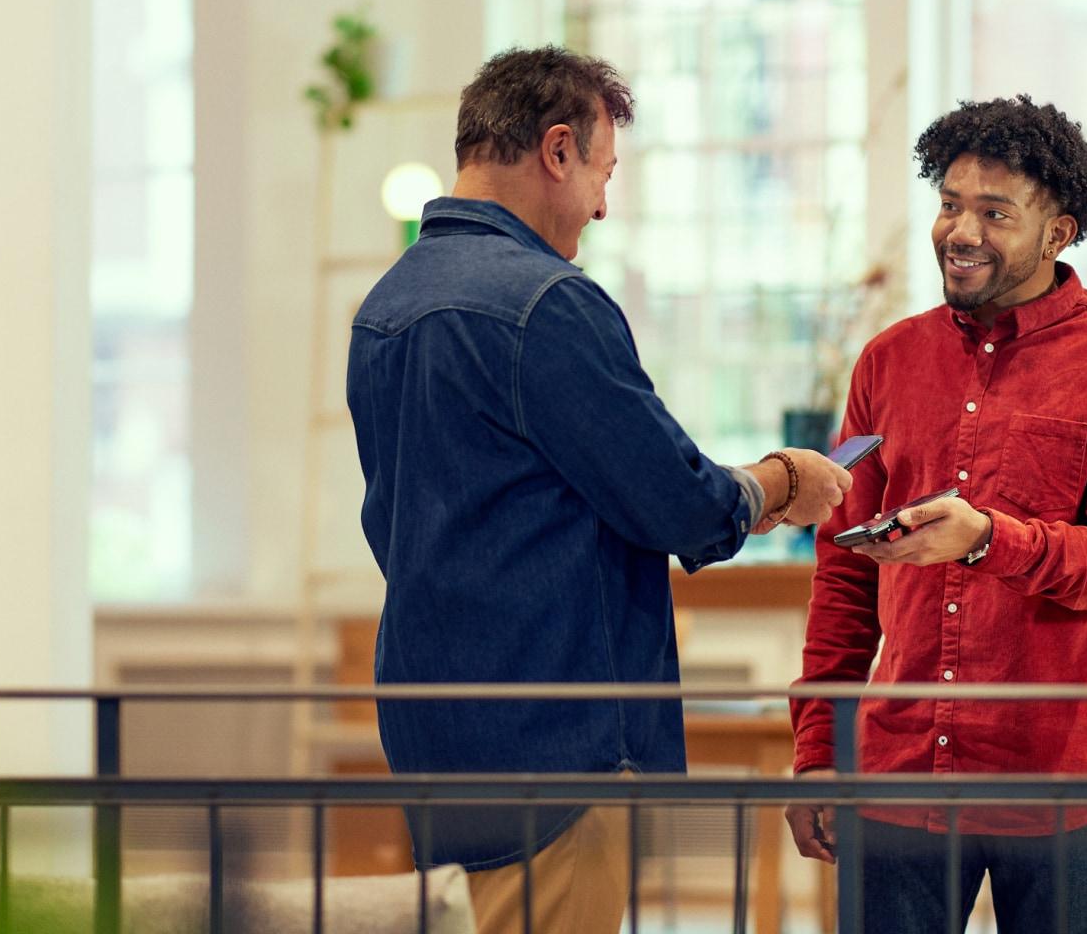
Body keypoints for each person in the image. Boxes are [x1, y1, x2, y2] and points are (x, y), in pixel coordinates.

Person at [346, 46, 852, 934]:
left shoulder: (387, 303)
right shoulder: (546, 304)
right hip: (555, 738)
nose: (604, 204)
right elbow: (677, 500)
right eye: (603, 173)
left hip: (435, 729)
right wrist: (780, 482)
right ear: (556, 151)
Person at [784, 96, 1087, 934]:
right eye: (951, 204)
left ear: (1058, 233)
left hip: (1060, 782)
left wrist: (992, 540)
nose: (961, 231)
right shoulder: (890, 360)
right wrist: (817, 754)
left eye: (995, 213)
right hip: (899, 778)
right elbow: (844, 575)